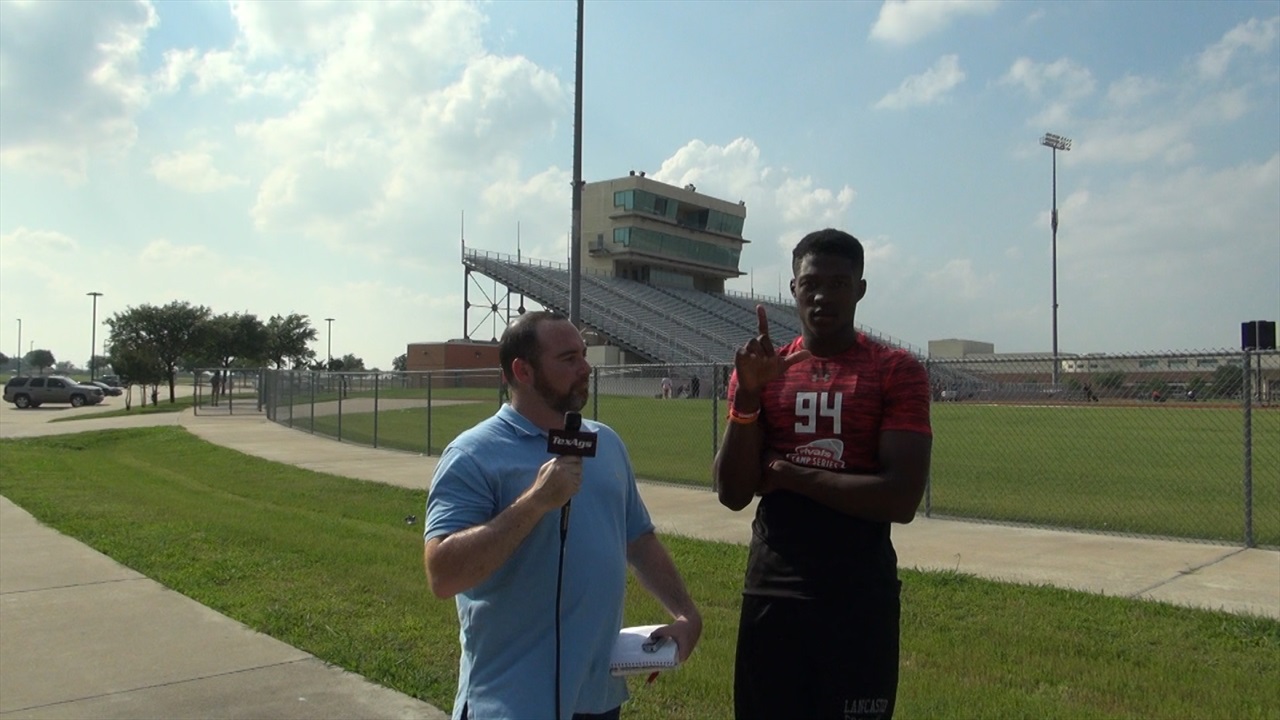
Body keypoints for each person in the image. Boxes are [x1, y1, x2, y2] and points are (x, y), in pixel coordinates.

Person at [424, 311, 702, 720]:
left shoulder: (605, 443)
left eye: (584, 355)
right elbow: (443, 574)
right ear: (523, 370)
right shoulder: (472, 455)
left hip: (598, 699)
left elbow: (638, 540)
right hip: (510, 701)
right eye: (568, 358)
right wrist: (535, 501)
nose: (586, 368)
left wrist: (686, 614)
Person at [712, 228, 933, 720]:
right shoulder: (763, 370)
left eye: (838, 283)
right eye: (811, 282)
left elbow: (900, 499)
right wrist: (747, 399)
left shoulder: (895, 370)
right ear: (792, 288)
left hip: (858, 594)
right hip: (773, 588)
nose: (822, 295)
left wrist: (790, 474)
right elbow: (732, 491)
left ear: (860, 289)